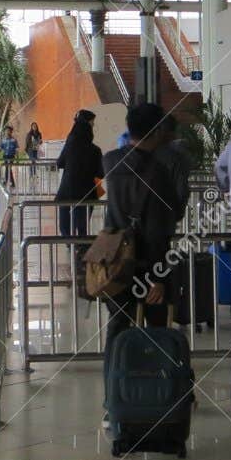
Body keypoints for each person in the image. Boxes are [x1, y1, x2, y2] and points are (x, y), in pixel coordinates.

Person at [101, 102, 190, 407]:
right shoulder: (159, 173)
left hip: (115, 261)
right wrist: (158, 278)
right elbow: (159, 231)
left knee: (117, 327)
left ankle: (113, 400)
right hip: (147, 265)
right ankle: (154, 397)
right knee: (156, 330)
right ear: (158, 131)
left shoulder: (111, 161)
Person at [54, 109, 103, 237]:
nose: (93, 126)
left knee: (65, 227)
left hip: (66, 192)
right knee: (82, 229)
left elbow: (60, 163)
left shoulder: (70, 145)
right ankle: (80, 246)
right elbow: (100, 174)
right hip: (86, 194)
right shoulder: (96, 150)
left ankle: (69, 244)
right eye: (92, 124)